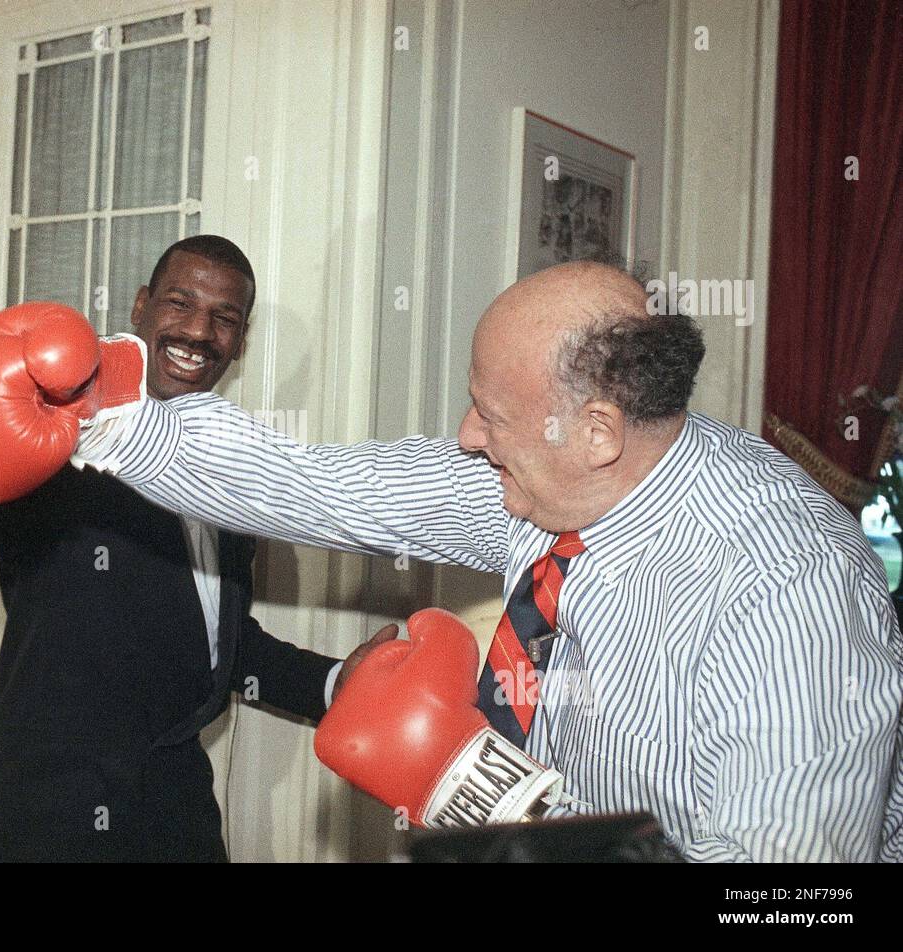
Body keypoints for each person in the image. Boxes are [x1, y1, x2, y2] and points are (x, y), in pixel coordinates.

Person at [68, 260, 903, 862]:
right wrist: (114, 416)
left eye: (490, 413)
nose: (468, 435)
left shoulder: (792, 589)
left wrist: (489, 793)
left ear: (599, 430)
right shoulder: (558, 484)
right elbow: (326, 487)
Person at [0, 236, 382, 861]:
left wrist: (331, 683)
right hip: (45, 814)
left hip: (177, 807)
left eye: (225, 318)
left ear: (239, 342)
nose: (198, 331)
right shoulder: (51, 431)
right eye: (179, 303)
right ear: (140, 308)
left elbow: (223, 642)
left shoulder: (231, 462)